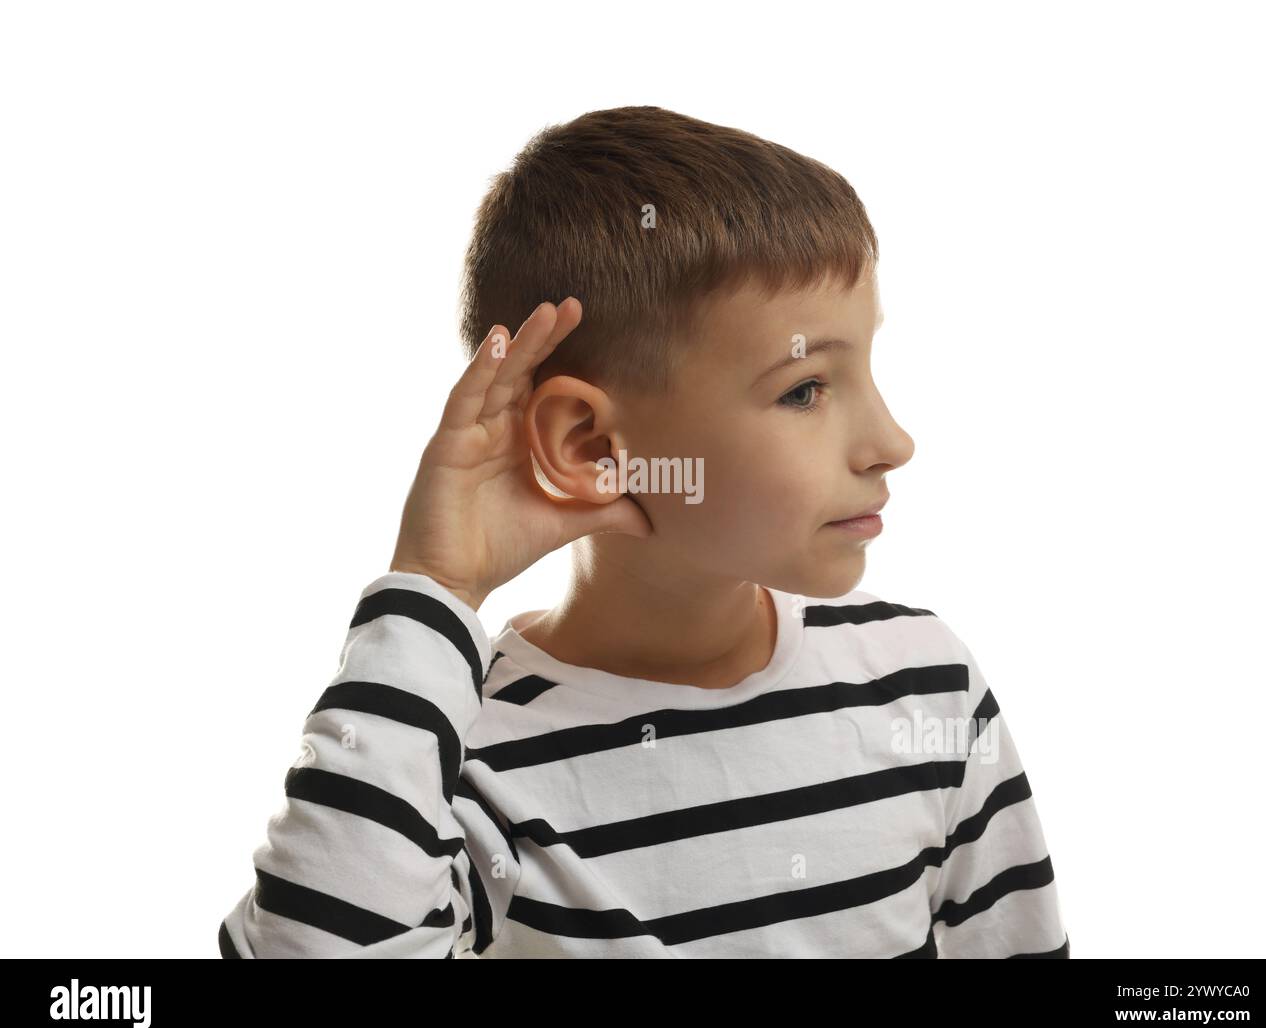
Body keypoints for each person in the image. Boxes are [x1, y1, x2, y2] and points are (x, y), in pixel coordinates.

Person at [218, 106, 1069, 958]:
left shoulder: (924, 688)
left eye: (867, 369)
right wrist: (435, 582)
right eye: (806, 390)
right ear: (591, 444)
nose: (892, 442)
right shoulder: (464, 760)